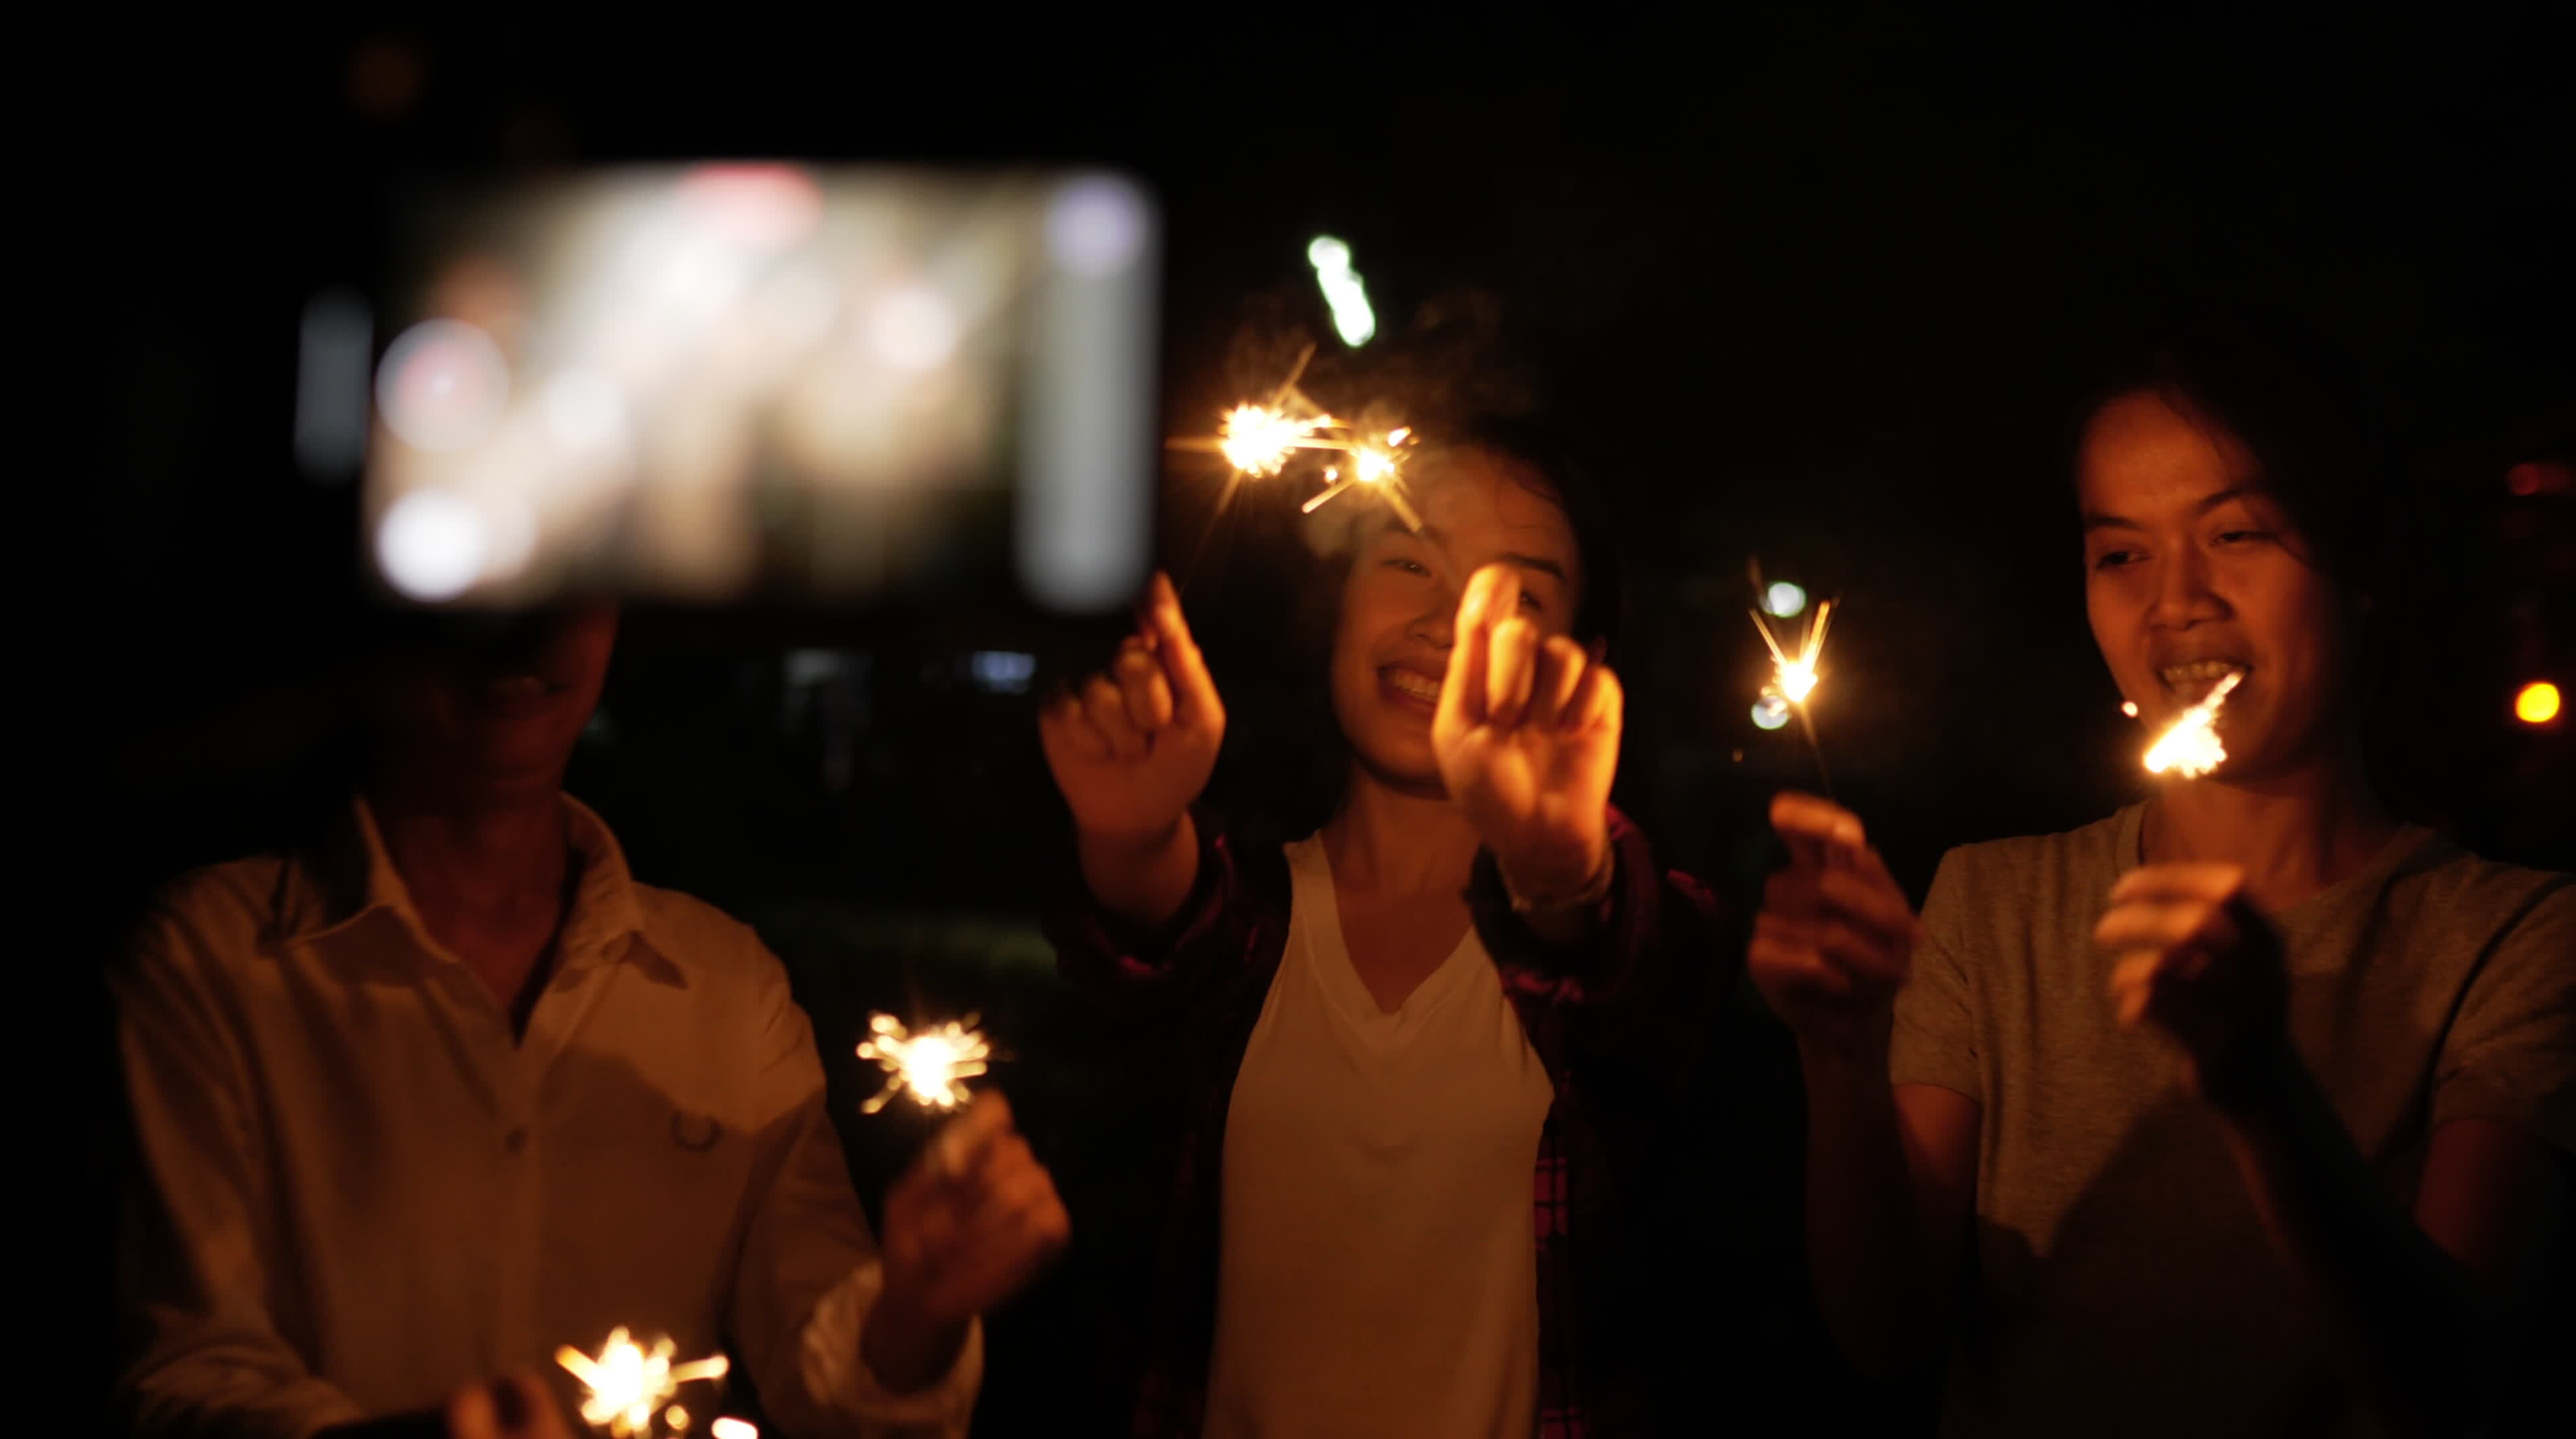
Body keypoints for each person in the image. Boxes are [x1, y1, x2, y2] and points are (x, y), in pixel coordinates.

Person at [1749, 322, 2573, 1436]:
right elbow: (1885, 1334)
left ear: (2362, 566)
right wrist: (1837, 1058)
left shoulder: (2515, 941)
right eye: (2121, 553)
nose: (2177, 600)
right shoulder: (1993, 907)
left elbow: (2453, 1385)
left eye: (2237, 533)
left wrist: (2261, 1090)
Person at [111, 600, 1071, 1438]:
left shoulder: (726, 991)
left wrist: (916, 1310)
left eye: (572, 575)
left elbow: (828, 1368)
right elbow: (183, 1370)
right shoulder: (215, 968)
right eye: (481, 585)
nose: (526, 630)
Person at [1040, 420, 1727, 1437]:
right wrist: (1131, 837)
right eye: (1411, 560)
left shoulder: (1616, 929)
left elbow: (1630, 969)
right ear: (1337, 599)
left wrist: (1555, 867)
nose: (1452, 620)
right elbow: (1163, 938)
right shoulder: (1255, 925)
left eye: (1521, 596)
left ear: (1586, 664)